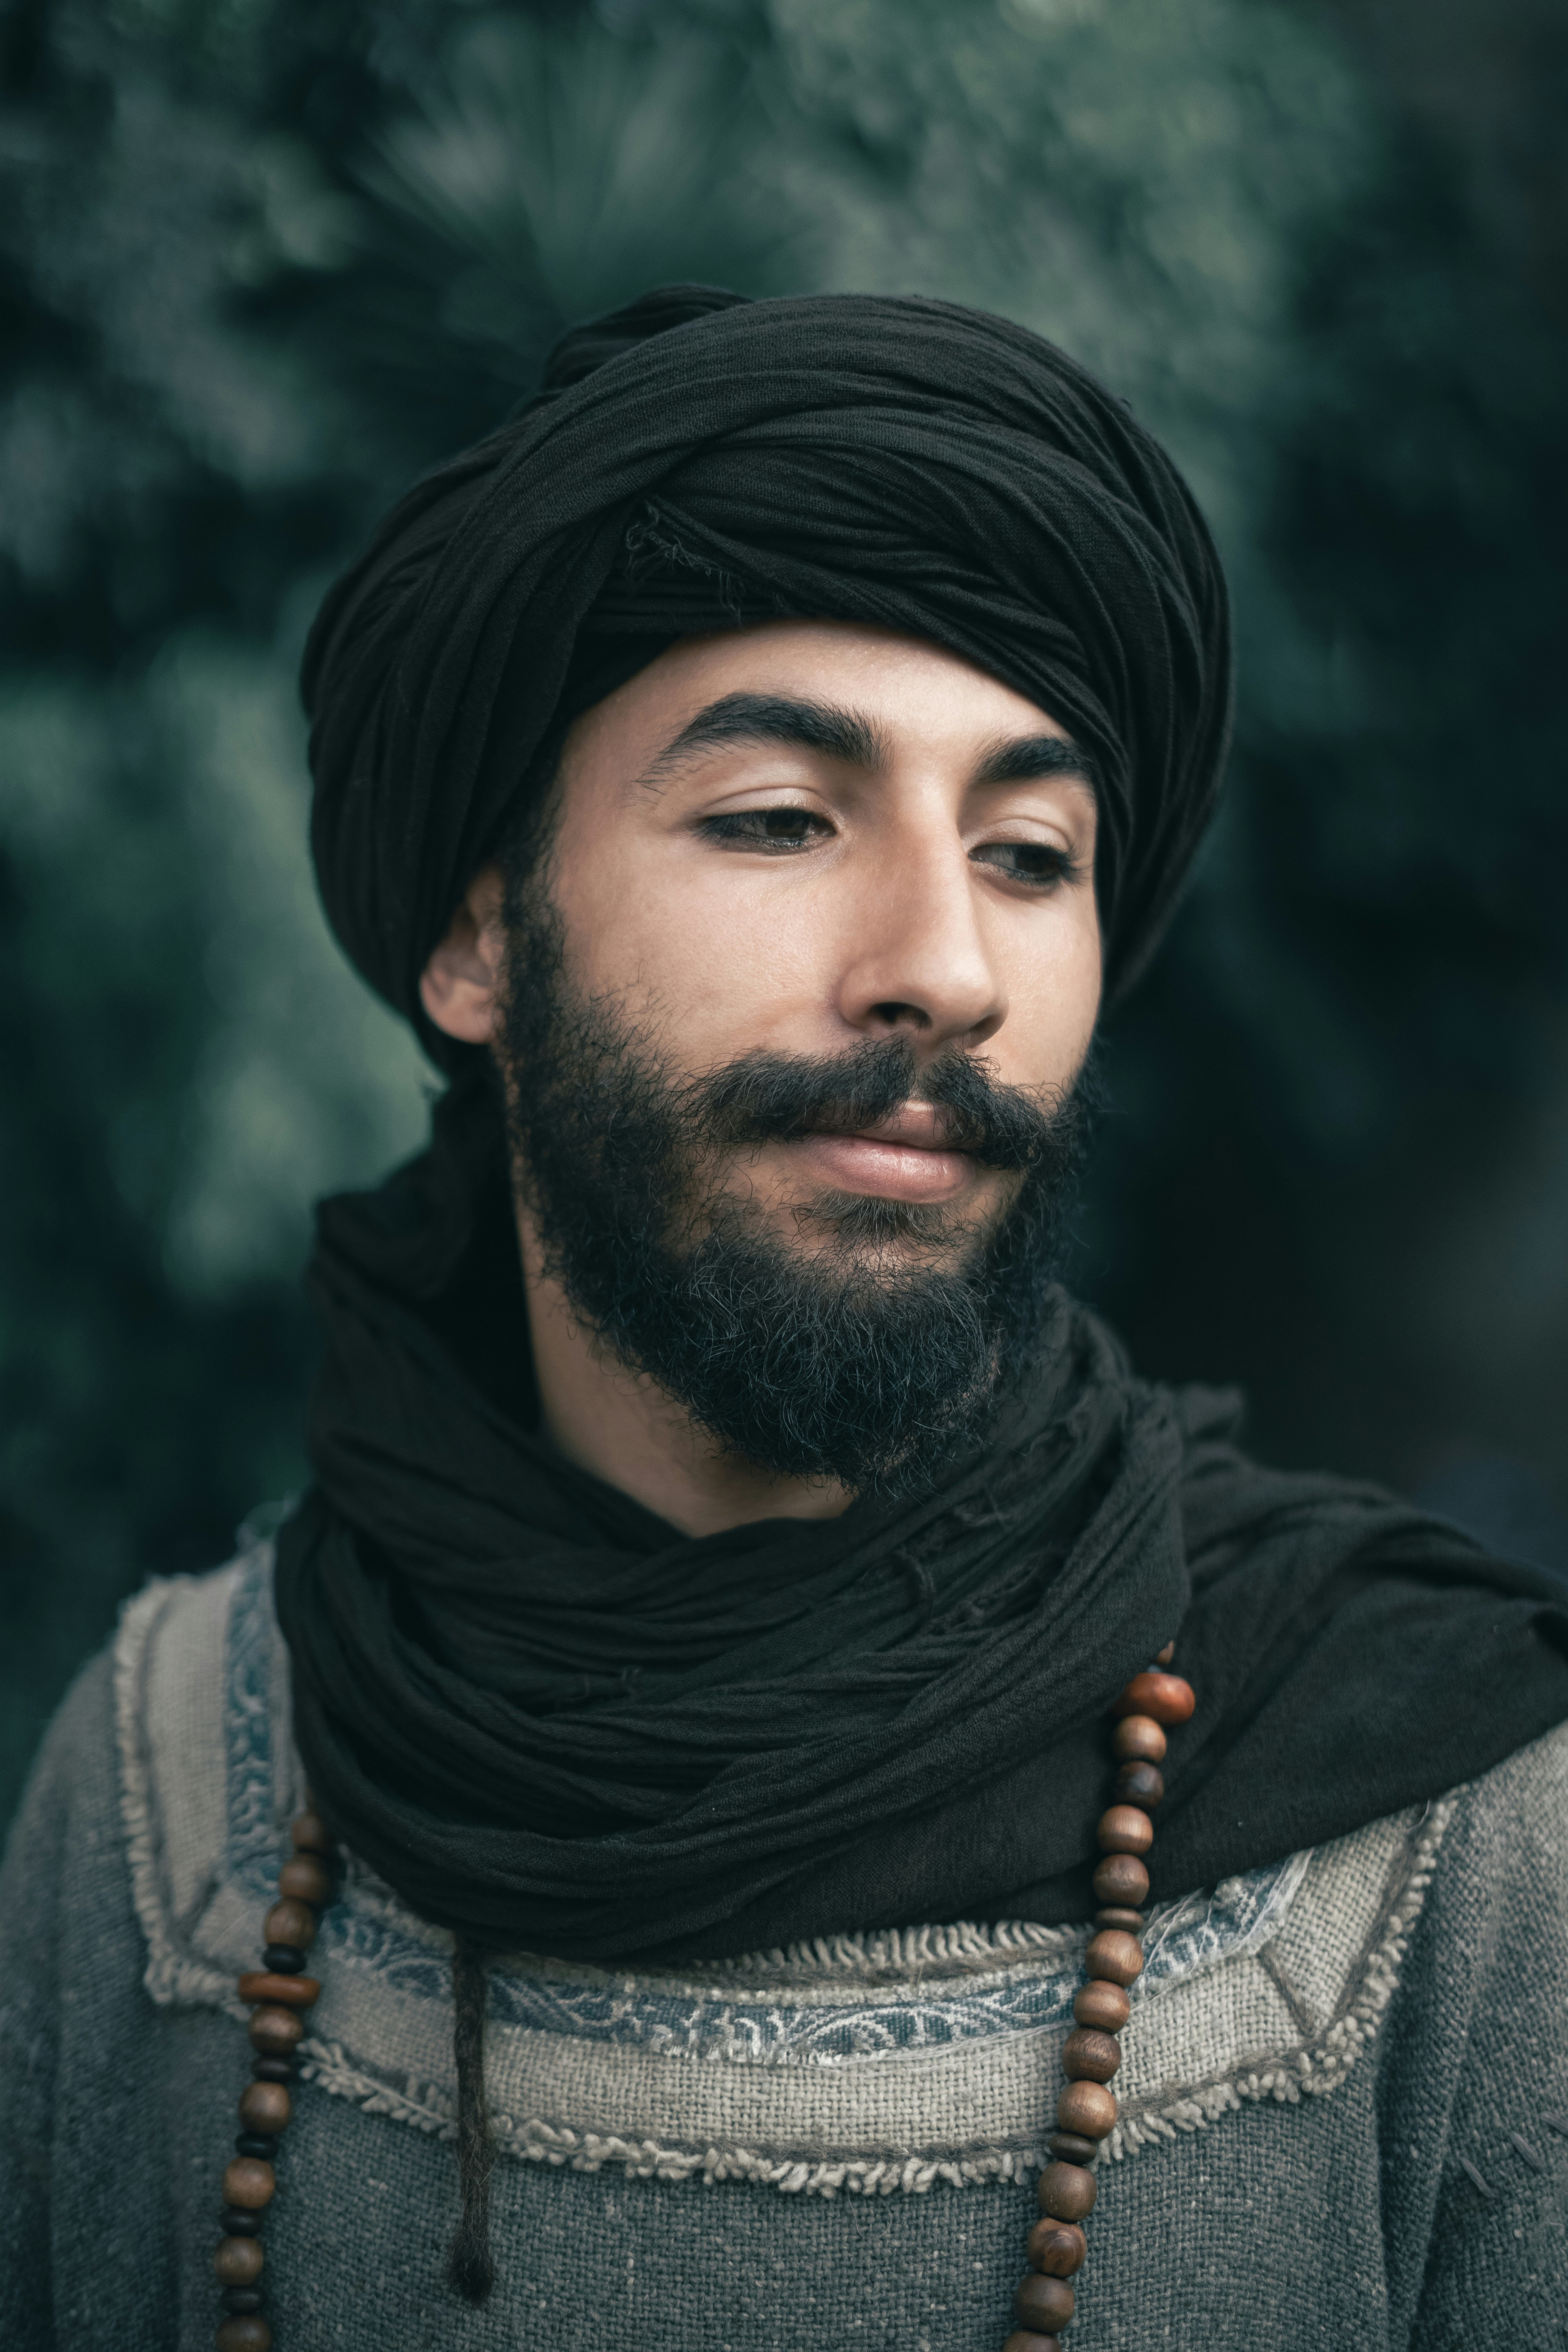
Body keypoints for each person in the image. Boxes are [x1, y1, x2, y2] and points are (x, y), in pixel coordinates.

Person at [3, 285, 1566, 2352]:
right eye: (774, 820)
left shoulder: (1449, 1844)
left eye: (1030, 854)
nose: (946, 965)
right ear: (480, 934)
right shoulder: (162, 1783)